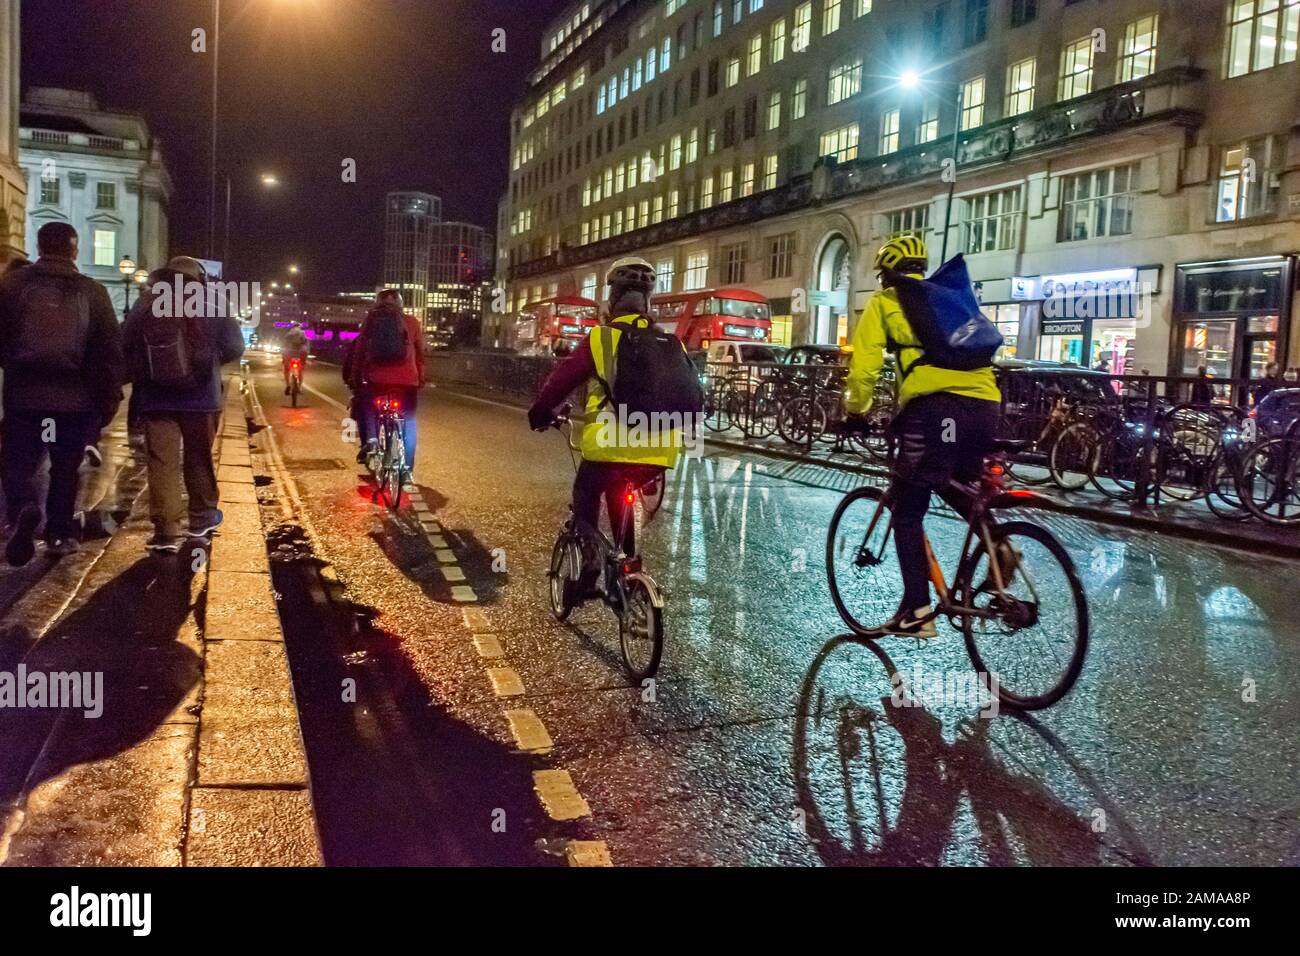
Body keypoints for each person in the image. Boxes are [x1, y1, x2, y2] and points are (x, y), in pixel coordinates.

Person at [843, 236, 1003, 637]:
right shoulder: (945, 302)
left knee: (909, 506)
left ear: (888, 275)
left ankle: (918, 611)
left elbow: (864, 368)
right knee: (952, 481)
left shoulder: (886, 302)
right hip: (986, 406)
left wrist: (854, 411)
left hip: (935, 410)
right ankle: (997, 543)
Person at [527, 257, 685, 589]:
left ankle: (590, 557)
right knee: (620, 492)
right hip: (660, 452)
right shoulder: (670, 341)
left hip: (608, 448)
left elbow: (561, 382)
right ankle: (627, 573)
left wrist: (541, 411)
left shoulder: (601, 338)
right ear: (648, 300)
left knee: (586, 489)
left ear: (613, 298)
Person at [0, 222, 124, 565]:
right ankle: (59, 533)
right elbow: (109, 353)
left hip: (24, 397)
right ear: (74, 250)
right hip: (73, 402)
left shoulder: (11, 285)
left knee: (19, 464)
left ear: (39, 247)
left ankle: (25, 508)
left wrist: (12, 364)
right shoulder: (93, 292)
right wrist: (108, 402)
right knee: (65, 468)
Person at [121, 256, 245, 553]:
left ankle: (166, 532)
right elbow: (235, 346)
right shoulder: (215, 301)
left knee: (162, 462)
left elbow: (125, 341)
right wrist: (207, 363)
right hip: (202, 398)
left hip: (156, 397)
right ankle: (201, 520)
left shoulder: (147, 301)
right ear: (199, 278)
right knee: (198, 458)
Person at [347, 289, 424, 471]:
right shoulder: (412, 322)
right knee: (410, 420)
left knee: (368, 404)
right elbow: (420, 354)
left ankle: (372, 440)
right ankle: (406, 470)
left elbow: (359, 351)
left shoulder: (371, 321)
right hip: (407, 380)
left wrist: (355, 375)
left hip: (377, 378)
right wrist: (420, 377)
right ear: (401, 304)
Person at [282, 321, 309, 394]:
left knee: (286, 368)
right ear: (299, 327)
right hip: (301, 352)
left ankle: (288, 385)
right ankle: (299, 387)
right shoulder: (303, 333)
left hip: (289, 352)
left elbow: (284, 344)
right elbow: (306, 344)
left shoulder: (289, 333)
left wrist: (283, 356)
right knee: (301, 369)